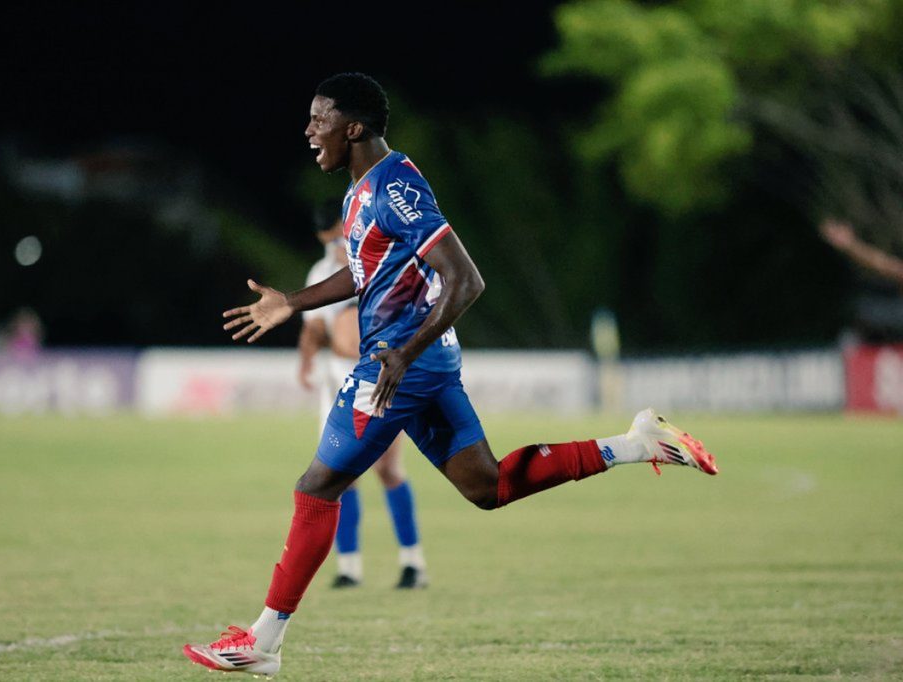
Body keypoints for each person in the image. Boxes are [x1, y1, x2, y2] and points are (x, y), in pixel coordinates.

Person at [183, 73, 719, 677]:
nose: (309, 131)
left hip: (399, 363)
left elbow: (466, 279)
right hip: (415, 362)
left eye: (319, 118)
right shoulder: (359, 192)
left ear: (352, 126)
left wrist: (405, 355)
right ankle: (634, 443)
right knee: (485, 487)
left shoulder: (396, 187)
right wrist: (294, 302)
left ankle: (263, 641)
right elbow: (366, 274)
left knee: (317, 487)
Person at [298, 199, 428, 589]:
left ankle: (413, 563)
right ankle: (349, 567)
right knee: (340, 474)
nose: (335, 242)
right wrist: (305, 358)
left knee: (387, 469)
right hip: (338, 383)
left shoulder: (382, 265)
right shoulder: (322, 272)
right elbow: (314, 328)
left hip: (379, 380)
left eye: (338, 234)